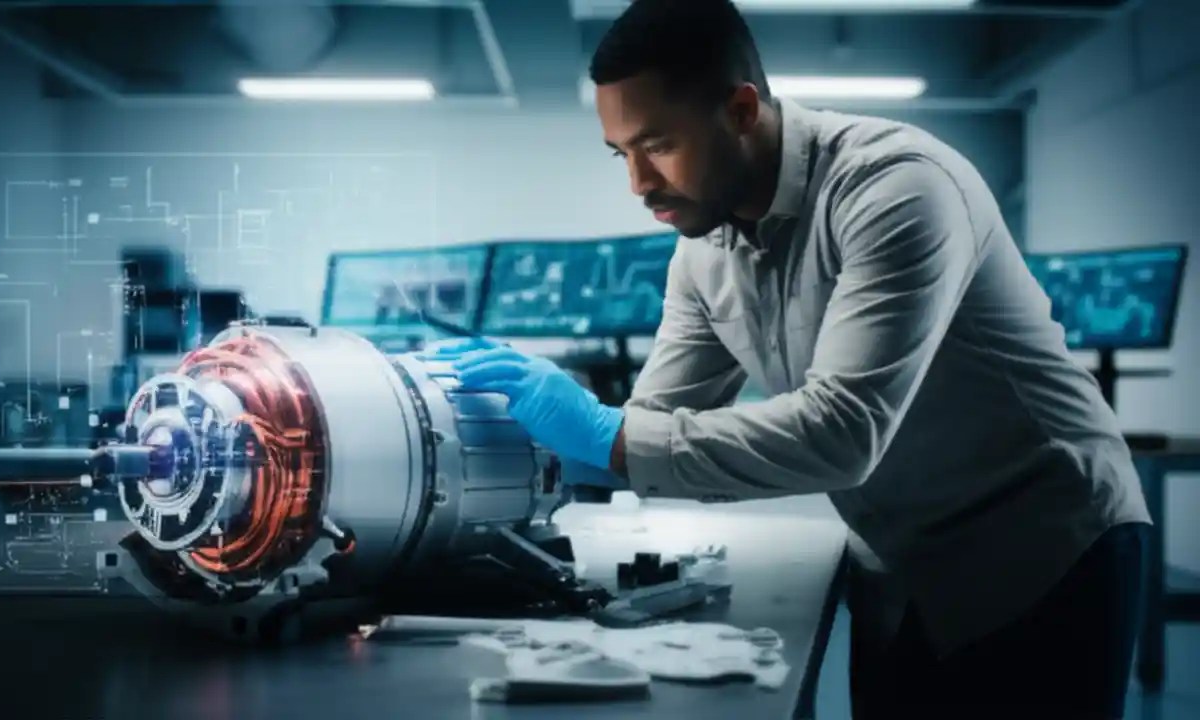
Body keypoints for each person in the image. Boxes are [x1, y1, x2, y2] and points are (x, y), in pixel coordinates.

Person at [433, 0, 1149, 716]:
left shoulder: (897, 189)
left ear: (742, 109)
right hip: (900, 567)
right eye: (622, 152)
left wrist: (604, 432)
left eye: (658, 144)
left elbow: (842, 432)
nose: (639, 183)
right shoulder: (703, 249)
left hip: (1043, 552)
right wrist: (517, 436)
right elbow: (656, 428)